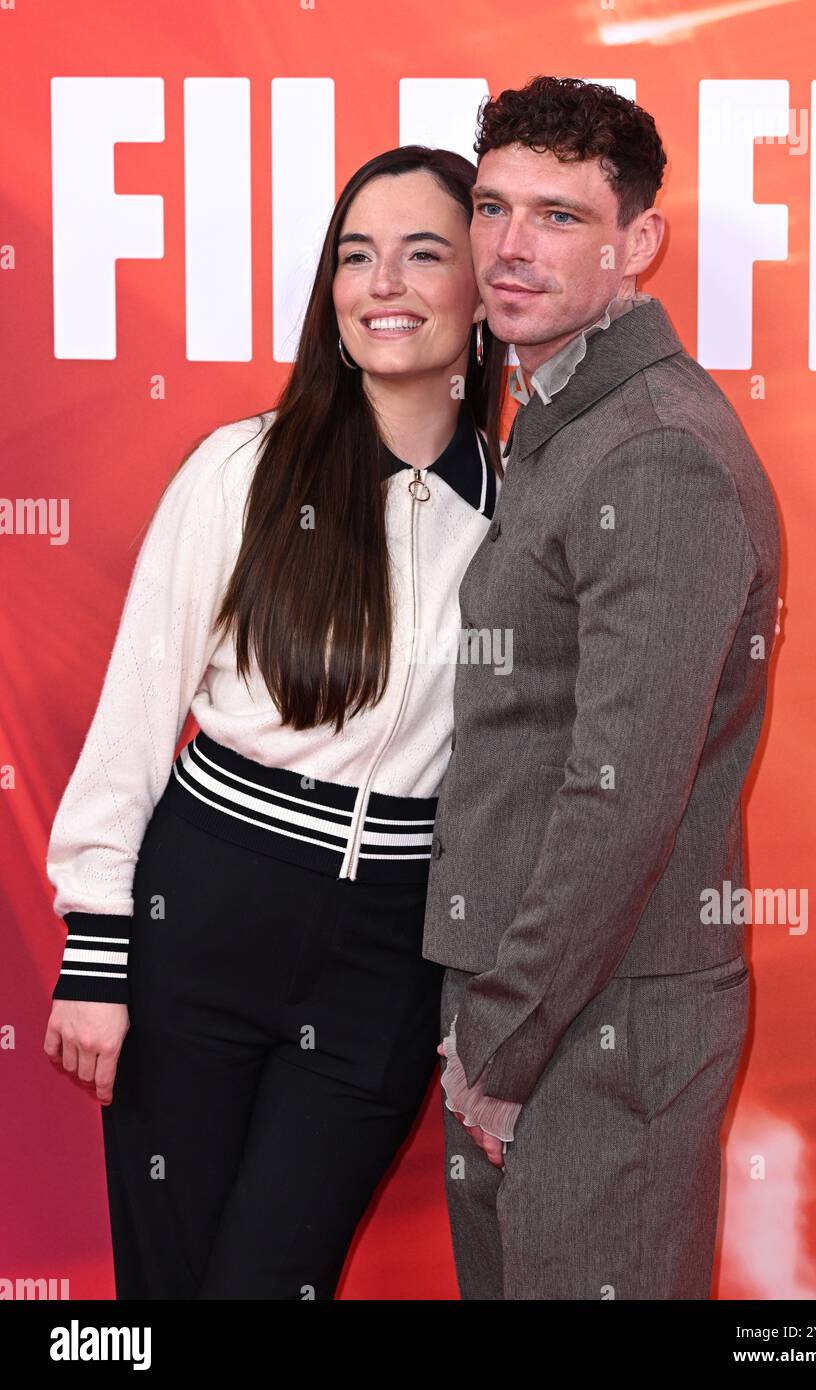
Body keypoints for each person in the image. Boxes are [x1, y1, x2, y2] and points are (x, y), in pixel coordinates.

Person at [42, 145, 506, 1300]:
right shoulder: (240, 469)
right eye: (356, 256)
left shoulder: (525, 511)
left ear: (484, 288)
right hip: (203, 915)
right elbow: (135, 713)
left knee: (267, 1280)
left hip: (386, 958)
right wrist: (99, 950)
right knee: (169, 1284)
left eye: (421, 253)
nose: (382, 283)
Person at [423, 76, 782, 1299]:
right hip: (536, 1006)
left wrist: (504, 1040)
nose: (510, 248)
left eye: (560, 217)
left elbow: (618, 797)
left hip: (593, 1026)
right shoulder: (564, 418)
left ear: (638, 244)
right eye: (492, 207)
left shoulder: (657, 451)